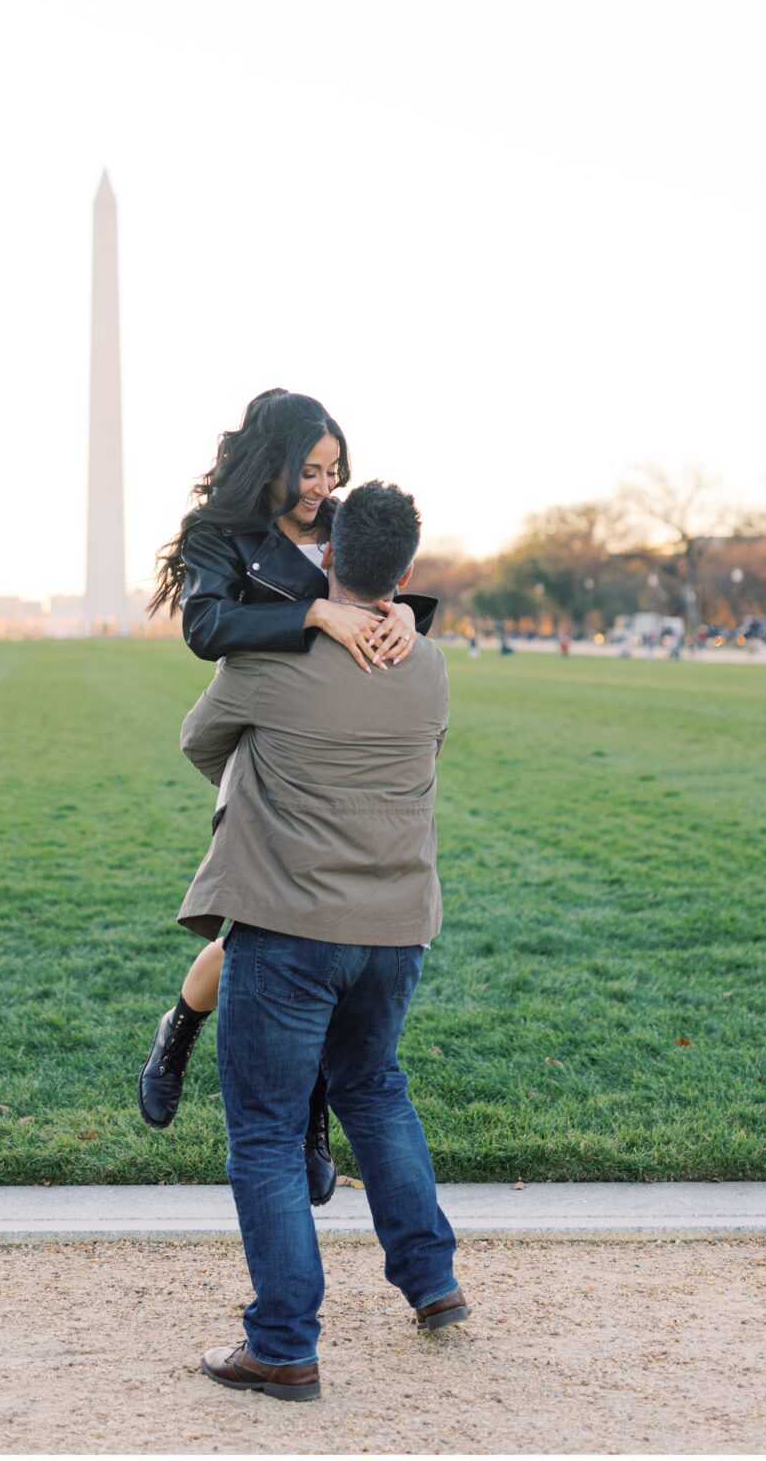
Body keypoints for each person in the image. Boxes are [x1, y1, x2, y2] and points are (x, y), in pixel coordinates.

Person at [177, 481, 465, 1401]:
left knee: (263, 1134)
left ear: (325, 556)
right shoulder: (427, 664)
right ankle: (432, 1284)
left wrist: (273, 769)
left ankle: (282, 1343)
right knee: (375, 1092)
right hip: (394, 931)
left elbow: (198, 742)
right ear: (407, 573)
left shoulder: (275, 655)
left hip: (289, 924)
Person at [138, 390, 438, 1207]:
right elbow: (206, 627)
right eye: (309, 470)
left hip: (330, 744)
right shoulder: (222, 537)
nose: (322, 486)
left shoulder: (339, 523)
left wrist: (408, 617)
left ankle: (297, 1111)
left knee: (285, 945)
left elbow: (381, 583)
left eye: (333, 470)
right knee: (267, 941)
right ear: (272, 461)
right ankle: (183, 1034)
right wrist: (308, 612)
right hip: (266, 745)